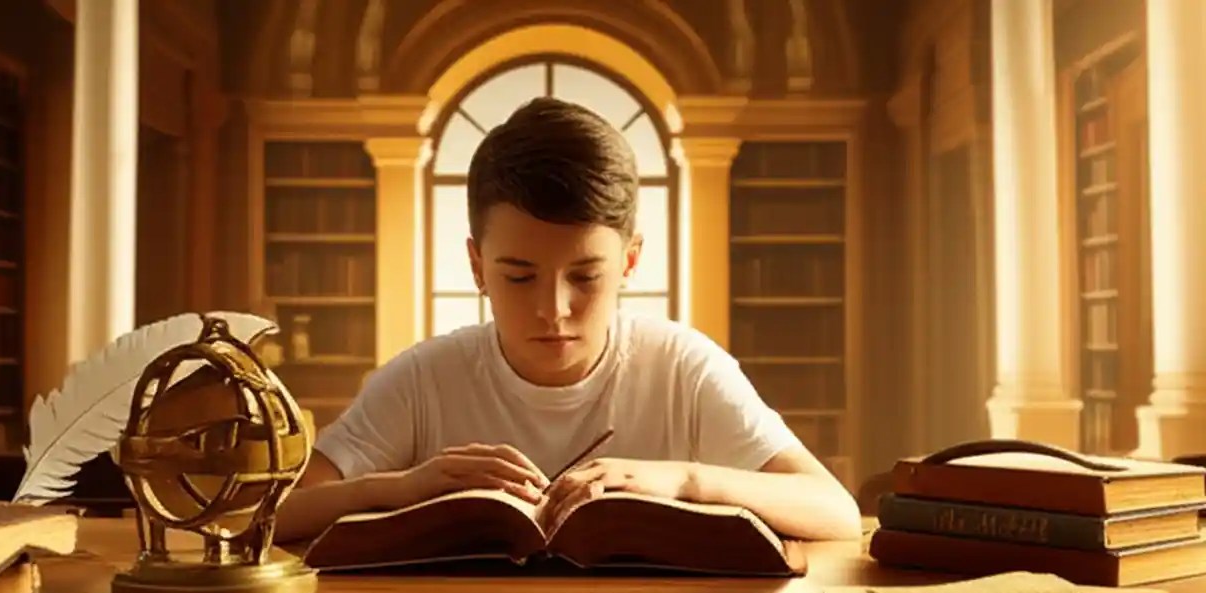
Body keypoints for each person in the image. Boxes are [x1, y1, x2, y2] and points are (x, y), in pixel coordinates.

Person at [274, 97, 861, 543]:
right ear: (477, 265)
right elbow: (271, 518)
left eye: (585, 277)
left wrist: (685, 482)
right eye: (519, 276)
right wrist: (405, 488)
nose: (553, 310)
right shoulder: (424, 377)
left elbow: (834, 512)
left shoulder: (685, 367)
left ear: (630, 260)